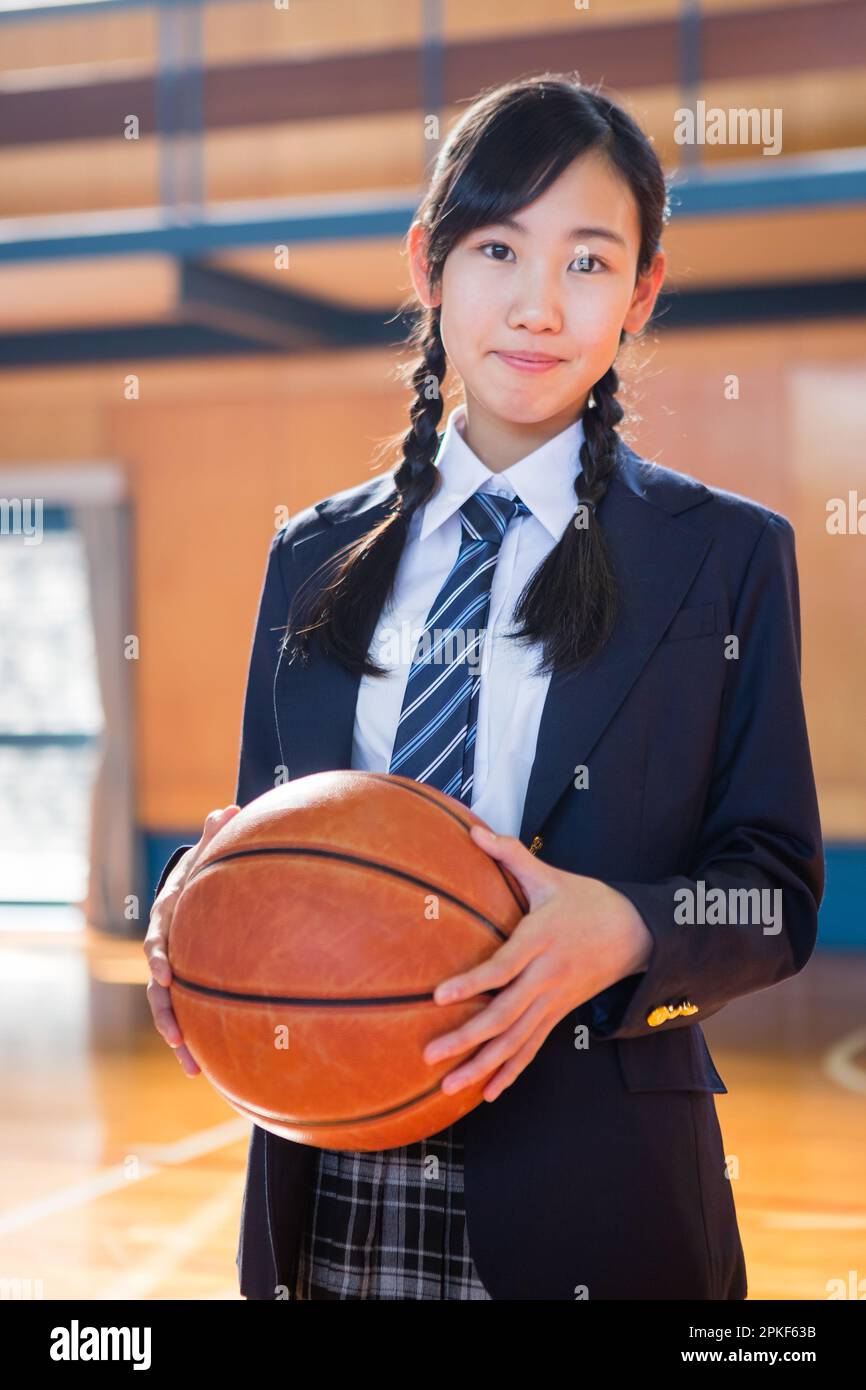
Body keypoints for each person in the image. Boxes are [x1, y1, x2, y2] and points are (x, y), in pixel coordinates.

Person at [145, 73, 824, 1300]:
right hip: (334, 1171)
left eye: (587, 260)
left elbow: (772, 895)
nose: (535, 303)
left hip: (600, 1191)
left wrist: (622, 925)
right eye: (498, 246)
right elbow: (261, 845)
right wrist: (195, 914)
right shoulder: (309, 553)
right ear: (428, 265)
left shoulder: (721, 555)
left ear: (641, 292)